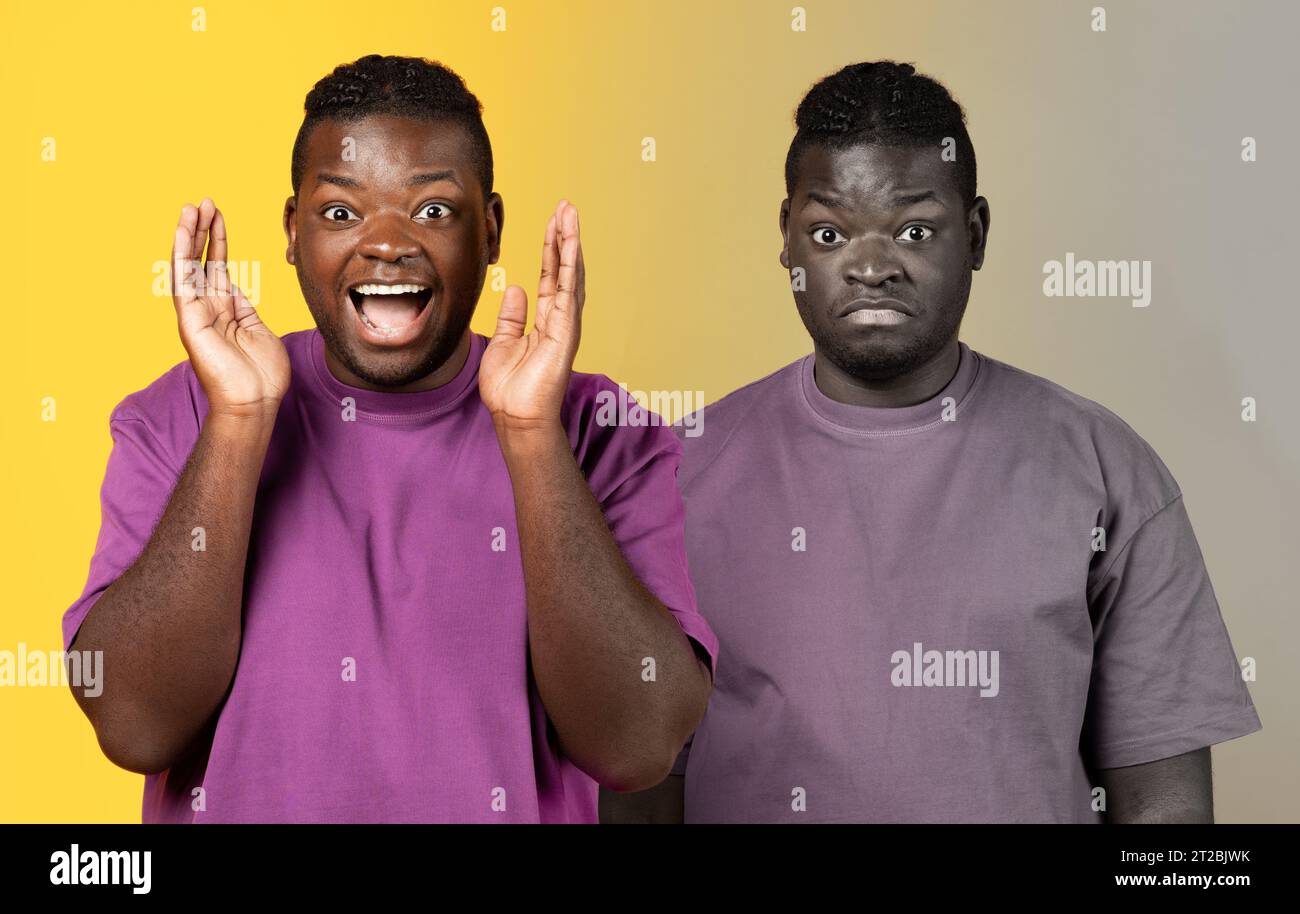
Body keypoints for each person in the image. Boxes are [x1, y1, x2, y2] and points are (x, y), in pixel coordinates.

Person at [600, 60, 1259, 824]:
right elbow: (638, 792)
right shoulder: (674, 476)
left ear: (974, 235)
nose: (872, 267)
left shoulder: (1106, 472)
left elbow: (1166, 815)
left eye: (915, 230)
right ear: (787, 242)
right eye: (828, 232)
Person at [64, 54, 715, 823]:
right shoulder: (178, 415)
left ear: (492, 227)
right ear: (291, 231)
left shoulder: (600, 431)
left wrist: (532, 435)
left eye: (434, 211)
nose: (386, 244)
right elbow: (135, 724)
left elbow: (637, 747)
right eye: (341, 213)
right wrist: (239, 423)